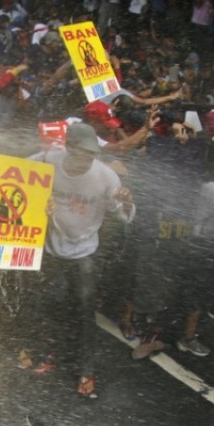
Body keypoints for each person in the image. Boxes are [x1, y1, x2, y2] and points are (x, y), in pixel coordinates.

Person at [24, 123, 135, 398]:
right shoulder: (49, 160)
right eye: (84, 153)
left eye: (93, 154)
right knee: (45, 305)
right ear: (69, 148)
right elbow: (16, 176)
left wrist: (127, 202)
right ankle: (46, 354)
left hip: (84, 252)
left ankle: (86, 370)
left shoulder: (106, 177)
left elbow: (125, 216)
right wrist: (38, 200)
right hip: (50, 249)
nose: (89, 159)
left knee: (84, 314)